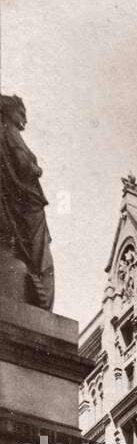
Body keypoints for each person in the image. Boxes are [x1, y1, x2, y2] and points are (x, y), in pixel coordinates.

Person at [0, 93, 55, 310]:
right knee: (42, 256)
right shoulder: (11, 133)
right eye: (21, 113)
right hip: (30, 205)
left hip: (16, 205)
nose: (24, 119)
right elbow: (23, 165)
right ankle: (42, 297)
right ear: (9, 112)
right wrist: (37, 169)